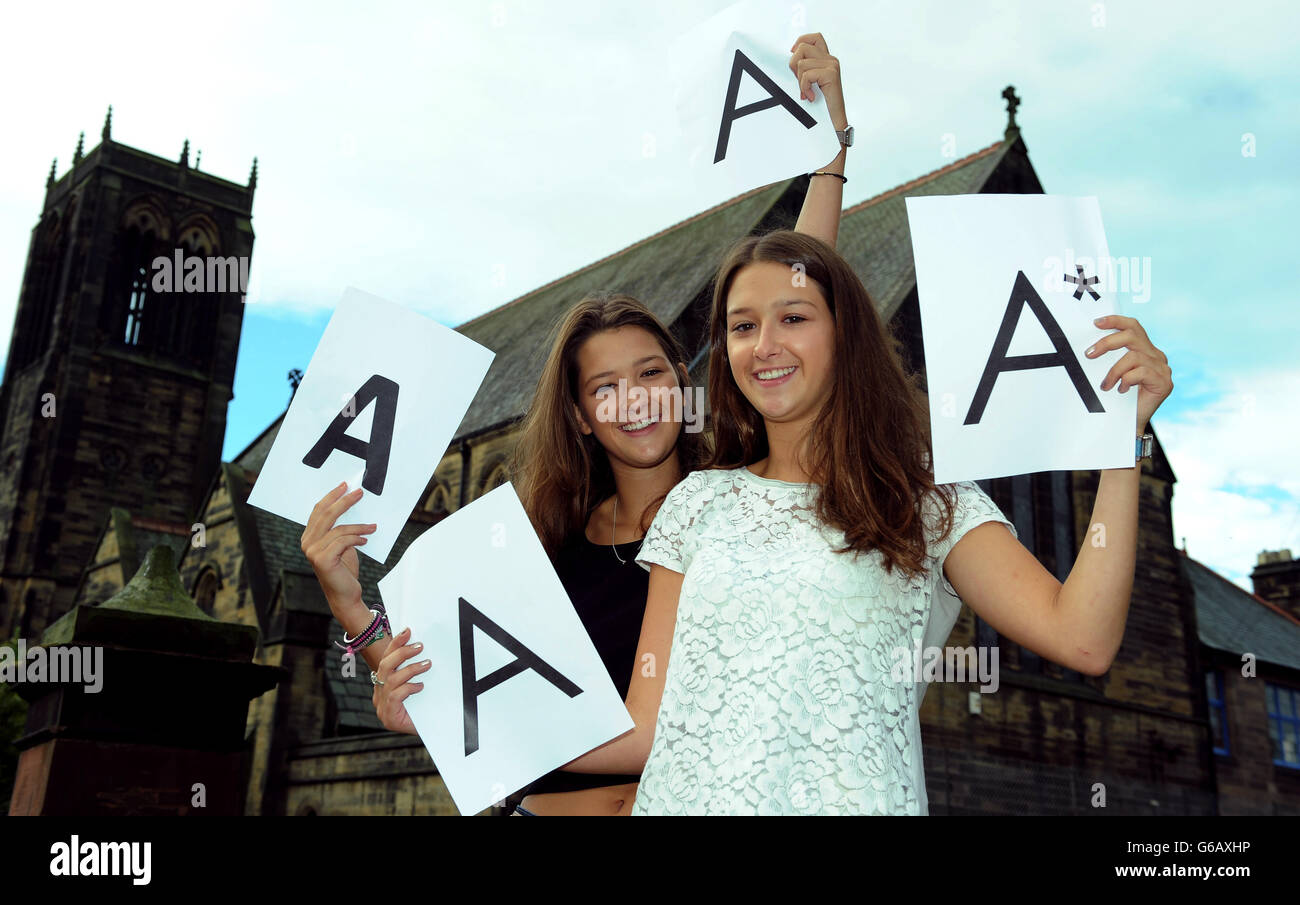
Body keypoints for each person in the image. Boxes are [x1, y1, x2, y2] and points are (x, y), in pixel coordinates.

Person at [301, 32, 857, 816]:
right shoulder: (539, 536)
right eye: (605, 387)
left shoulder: (729, 498)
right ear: (582, 417)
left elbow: (802, 301)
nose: (633, 398)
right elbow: (459, 695)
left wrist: (831, 150)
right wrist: (348, 601)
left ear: (682, 382)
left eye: (651, 372)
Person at [566, 228, 1174, 814]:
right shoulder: (697, 503)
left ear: (844, 333)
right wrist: (488, 740)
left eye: (794, 318)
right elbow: (649, 725)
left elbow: (1083, 639)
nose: (766, 344)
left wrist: (1125, 447)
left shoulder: (925, 502)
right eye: (743, 326)